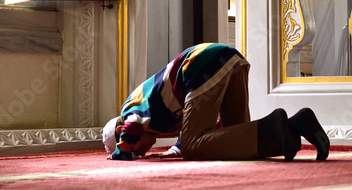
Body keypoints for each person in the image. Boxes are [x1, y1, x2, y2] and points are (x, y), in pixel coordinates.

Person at [103, 43, 329, 162]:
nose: (140, 154)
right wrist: (176, 149)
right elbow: (200, 125)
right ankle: (295, 124)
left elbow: (132, 126)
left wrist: (121, 153)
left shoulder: (130, 110)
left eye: (135, 150)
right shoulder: (157, 123)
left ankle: (275, 125)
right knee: (236, 141)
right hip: (228, 59)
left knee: (194, 148)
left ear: (122, 132)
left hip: (201, 66)